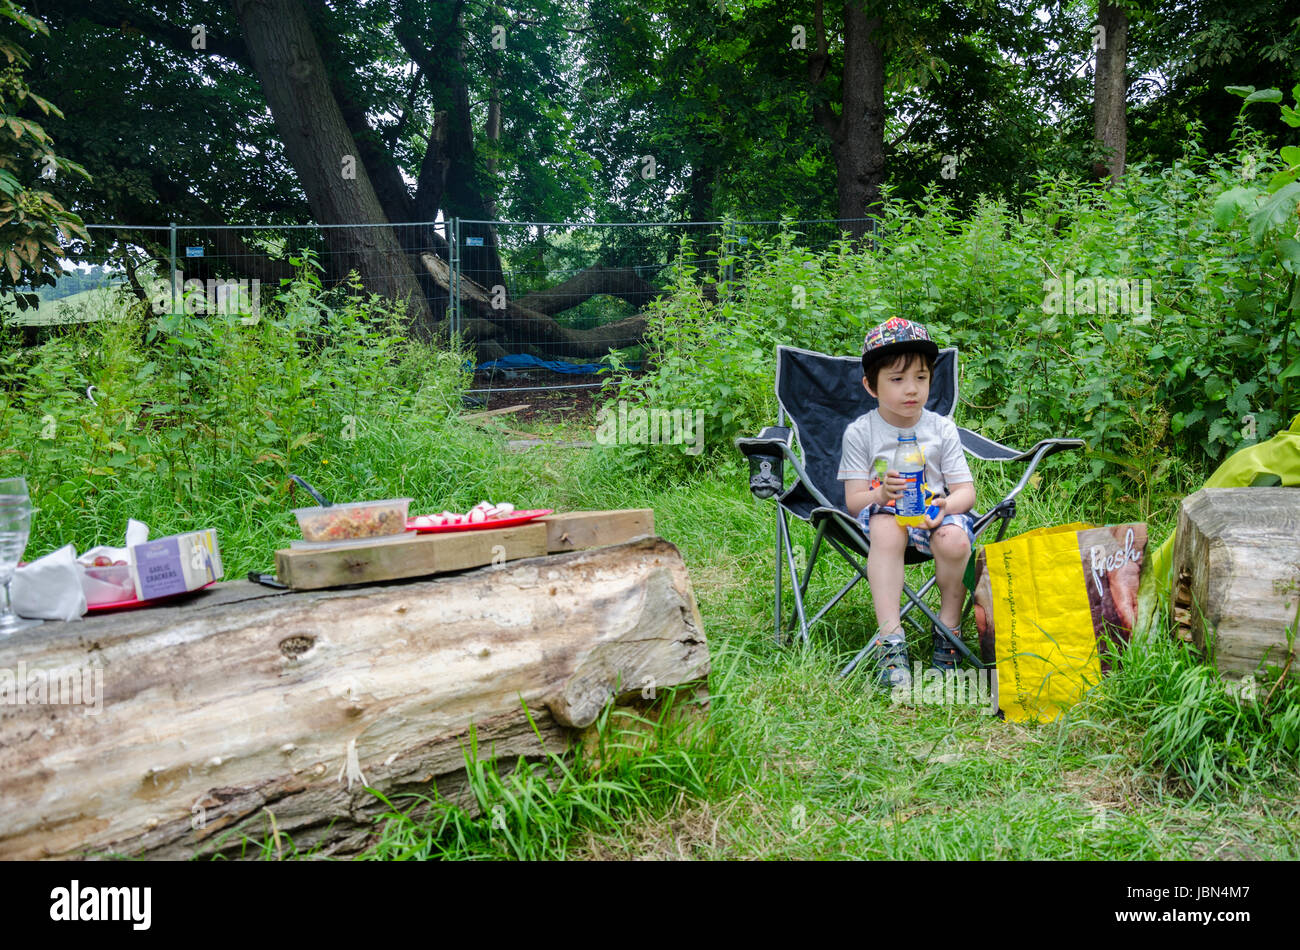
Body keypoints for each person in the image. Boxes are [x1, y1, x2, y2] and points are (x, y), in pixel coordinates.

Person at [838, 318, 976, 688]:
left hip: (935, 514)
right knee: (886, 529)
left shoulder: (941, 429)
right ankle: (890, 639)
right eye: (897, 379)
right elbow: (854, 502)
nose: (911, 388)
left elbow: (966, 493)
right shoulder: (861, 433)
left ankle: (949, 629)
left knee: (955, 540)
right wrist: (880, 495)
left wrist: (946, 507)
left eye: (921, 377)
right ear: (871, 386)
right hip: (886, 515)